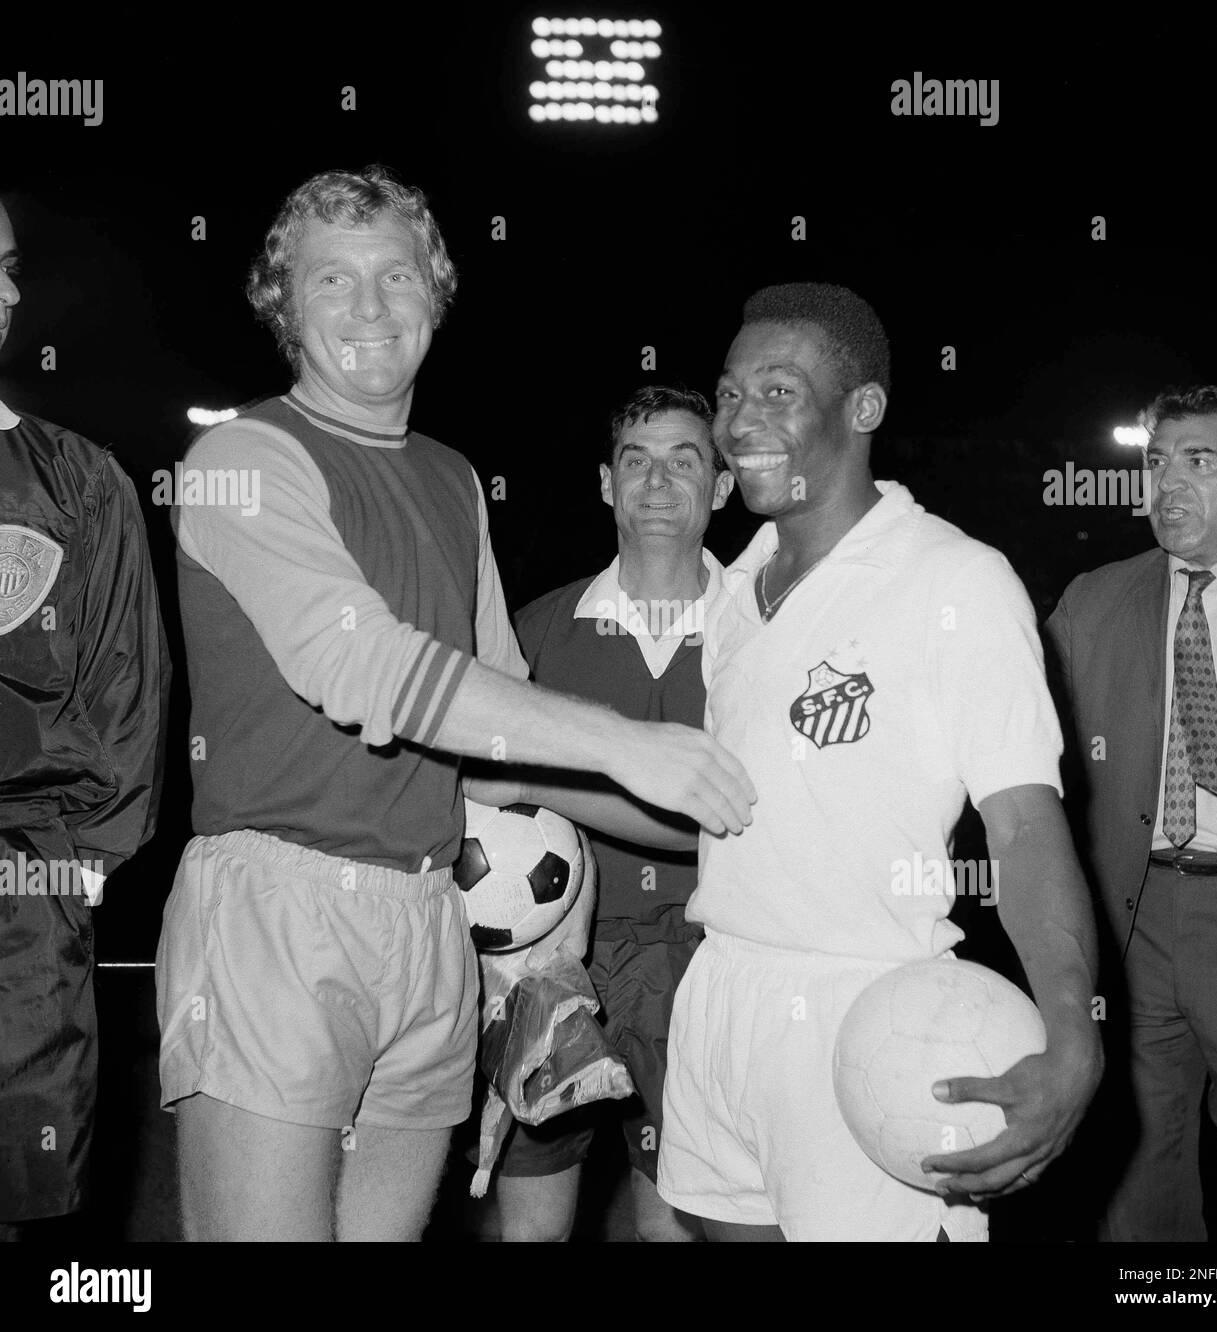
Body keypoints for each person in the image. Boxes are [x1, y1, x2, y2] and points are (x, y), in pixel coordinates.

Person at [155, 166, 754, 1242]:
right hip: (280, 904)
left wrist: (542, 974)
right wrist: (625, 741)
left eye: (397, 275)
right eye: (331, 280)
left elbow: (497, 744)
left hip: (434, 916)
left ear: (438, 292)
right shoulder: (240, 460)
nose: (370, 307)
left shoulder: (451, 478)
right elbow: (365, 670)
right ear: (282, 305)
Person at [650, 282, 1103, 1240]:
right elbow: (738, 810)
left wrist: (1072, 1032)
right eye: (730, 394)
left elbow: (1023, 824)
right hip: (723, 993)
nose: (740, 421)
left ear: (863, 408)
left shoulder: (955, 579)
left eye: (778, 392)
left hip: (869, 1016)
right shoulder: (731, 591)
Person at [1045, 386, 1217, 1241]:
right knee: (1134, 1165)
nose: (1168, 485)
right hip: (1132, 922)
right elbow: (1018, 746)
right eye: (1156, 462)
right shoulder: (1092, 601)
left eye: (1200, 461)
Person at [484, 385, 732, 1242]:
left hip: (706, 961)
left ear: (723, 487)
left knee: (675, 1218)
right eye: (637, 460)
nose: (658, 482)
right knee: (532, 1221)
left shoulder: (766, 636)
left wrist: (540, 783)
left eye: (685, 459)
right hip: (550, 965)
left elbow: (730, 824)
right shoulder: (537, 634)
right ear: (605, 483)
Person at [0, 197, 170, 1236]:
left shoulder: (75, 483)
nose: (9, 295)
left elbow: (126, 708)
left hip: (19, 919)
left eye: (10, 266)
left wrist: (60, 888)